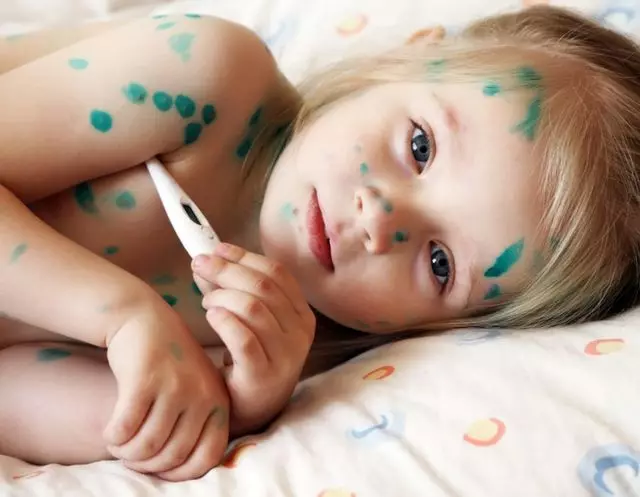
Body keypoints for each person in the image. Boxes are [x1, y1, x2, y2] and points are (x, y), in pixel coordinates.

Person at [0, 3, 638, 482]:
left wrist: (226, 404)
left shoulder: (301, 349)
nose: (380, 220)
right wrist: (122, 313)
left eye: (440, 263)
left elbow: (11, 397)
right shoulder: (207, 79)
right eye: (420, 146)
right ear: (400, 65)